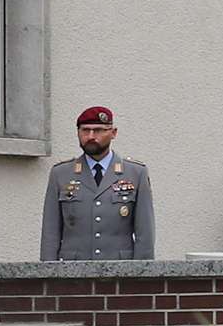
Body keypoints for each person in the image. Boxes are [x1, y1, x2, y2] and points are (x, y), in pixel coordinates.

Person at [39, 106, 155, 260]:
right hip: (73, 272)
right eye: (85, 130)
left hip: (120, 270)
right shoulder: (61, 174)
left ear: (113, 133)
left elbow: (145, 233)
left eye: (98, 130)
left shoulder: (135, 173)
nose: (91, 136)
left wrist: (141, 276)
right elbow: (50, 232)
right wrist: (49, 276)